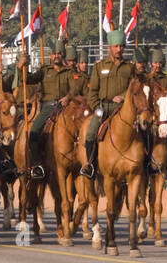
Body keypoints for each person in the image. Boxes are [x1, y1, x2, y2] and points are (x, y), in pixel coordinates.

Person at [81, 30, 134, 179]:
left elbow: (134, 88)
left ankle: (145, 164)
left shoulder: (129, 67)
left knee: (142, 131)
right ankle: (91, 165)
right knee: (91, 133)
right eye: (116, 46)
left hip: (123, 108)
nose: (119, 49)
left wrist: (123, 97)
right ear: (109, 47)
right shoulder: (99, 67)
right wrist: (97, 107)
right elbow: (92, 93)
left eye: (122, 46)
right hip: (102, 107)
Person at [23, 45, 72, 179]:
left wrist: (68, 97)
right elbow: (27, 79)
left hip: (66, 107)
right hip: (47, 107)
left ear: (62, 55)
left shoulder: (69, 72)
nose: (56, 56)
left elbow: (76, 88)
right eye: (54, 54)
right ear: (50, 56)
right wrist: (22, 66)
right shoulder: (44, 71)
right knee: (33, 132)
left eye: (59, 53)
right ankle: (37, 163)